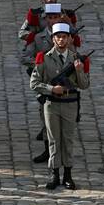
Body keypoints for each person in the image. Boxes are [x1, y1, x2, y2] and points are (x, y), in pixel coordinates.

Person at [30, 23, 90, 190]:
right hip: (52, 104)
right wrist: (51, 89)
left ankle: (68, 175)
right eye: (58, 37)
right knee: (54, 139)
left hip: (70, 102)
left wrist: (79, 71)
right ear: (53, 39)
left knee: (68, 139)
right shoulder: (44, 57)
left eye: (64, 37)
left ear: (70, 39)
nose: (61, 40)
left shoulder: (76, 58)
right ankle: (55, 174)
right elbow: (34, 83)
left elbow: (84, 85)